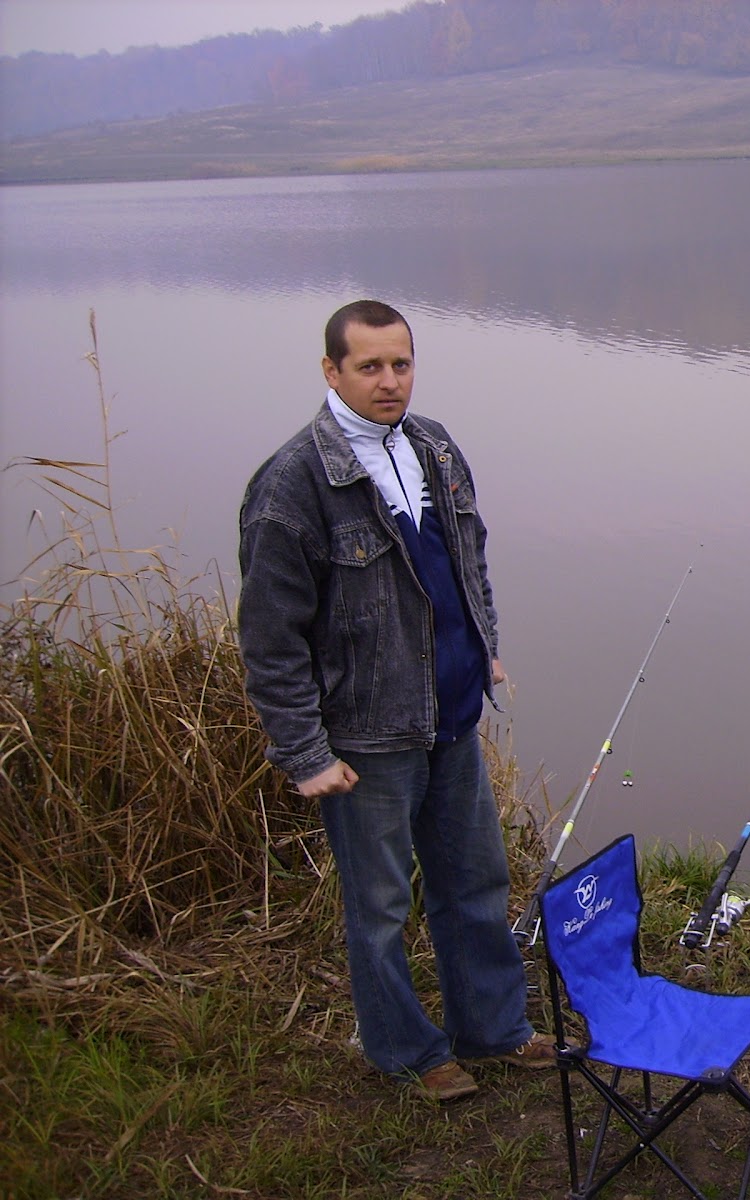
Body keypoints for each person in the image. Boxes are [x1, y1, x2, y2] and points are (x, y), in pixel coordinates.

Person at [238, 299, 551, 1101]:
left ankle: (493, 1030)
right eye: (369, 366)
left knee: (475, 883)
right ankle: (407, 1052)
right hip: (365, 739)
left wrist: (486, 648)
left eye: (401, 364)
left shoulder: (434, 446)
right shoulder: (292, 484)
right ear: (331, 371)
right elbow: (271, 639)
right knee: (378, 909)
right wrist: (305, 753)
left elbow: (467, 557)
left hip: (451, 717)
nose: (389, 382)